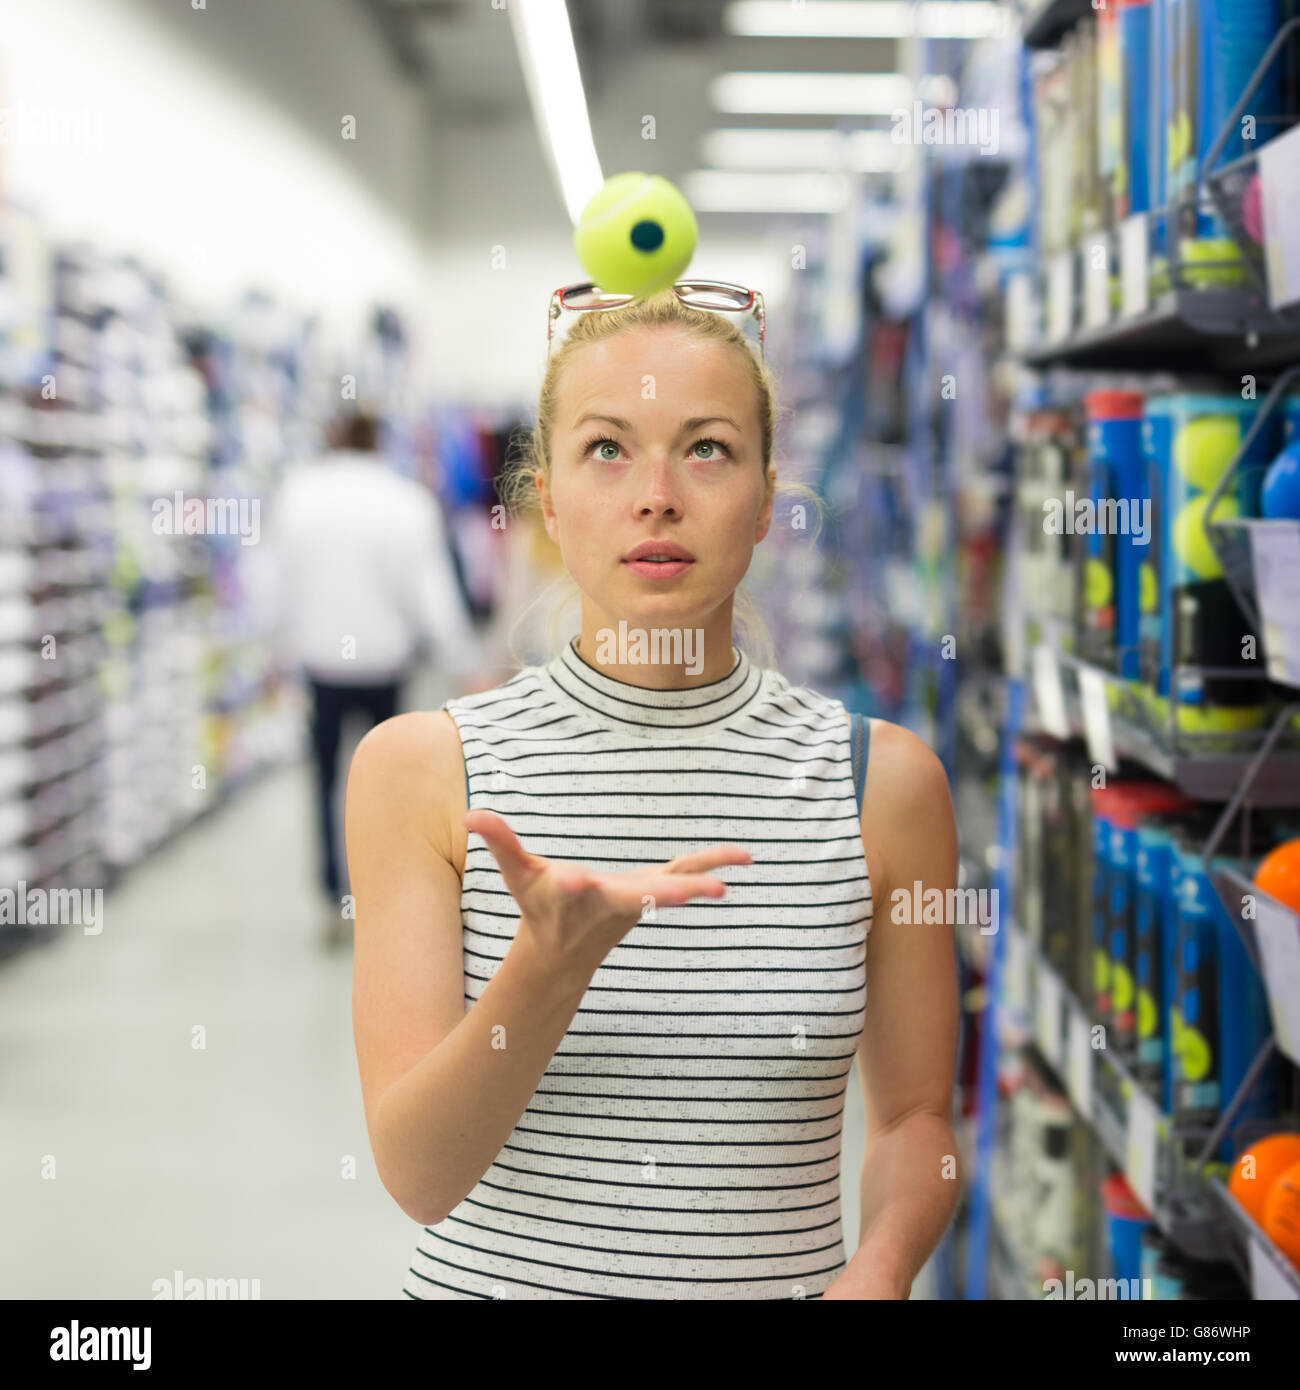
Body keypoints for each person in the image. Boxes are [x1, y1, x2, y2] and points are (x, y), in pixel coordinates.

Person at [346, 286, 960, 1299]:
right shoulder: (425, 770)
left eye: (708, 448)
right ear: (548, 499)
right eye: (607, 449)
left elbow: (916, 1123)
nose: (657, 495)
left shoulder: (880, 784)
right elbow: (417, 1177)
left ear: (767, 498)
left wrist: (884, 1265)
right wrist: (543, 972)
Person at [267, 409, 480, 946]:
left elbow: (275, 579)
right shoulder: (405, 500)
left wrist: (275, 651)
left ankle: (332, 900)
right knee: (389, 786)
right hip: (385, 664)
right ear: (380, 441)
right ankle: (386, 894)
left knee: (324, 782)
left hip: (321, 664)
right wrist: (462, 660)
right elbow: (430, 589)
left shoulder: (298, 495)